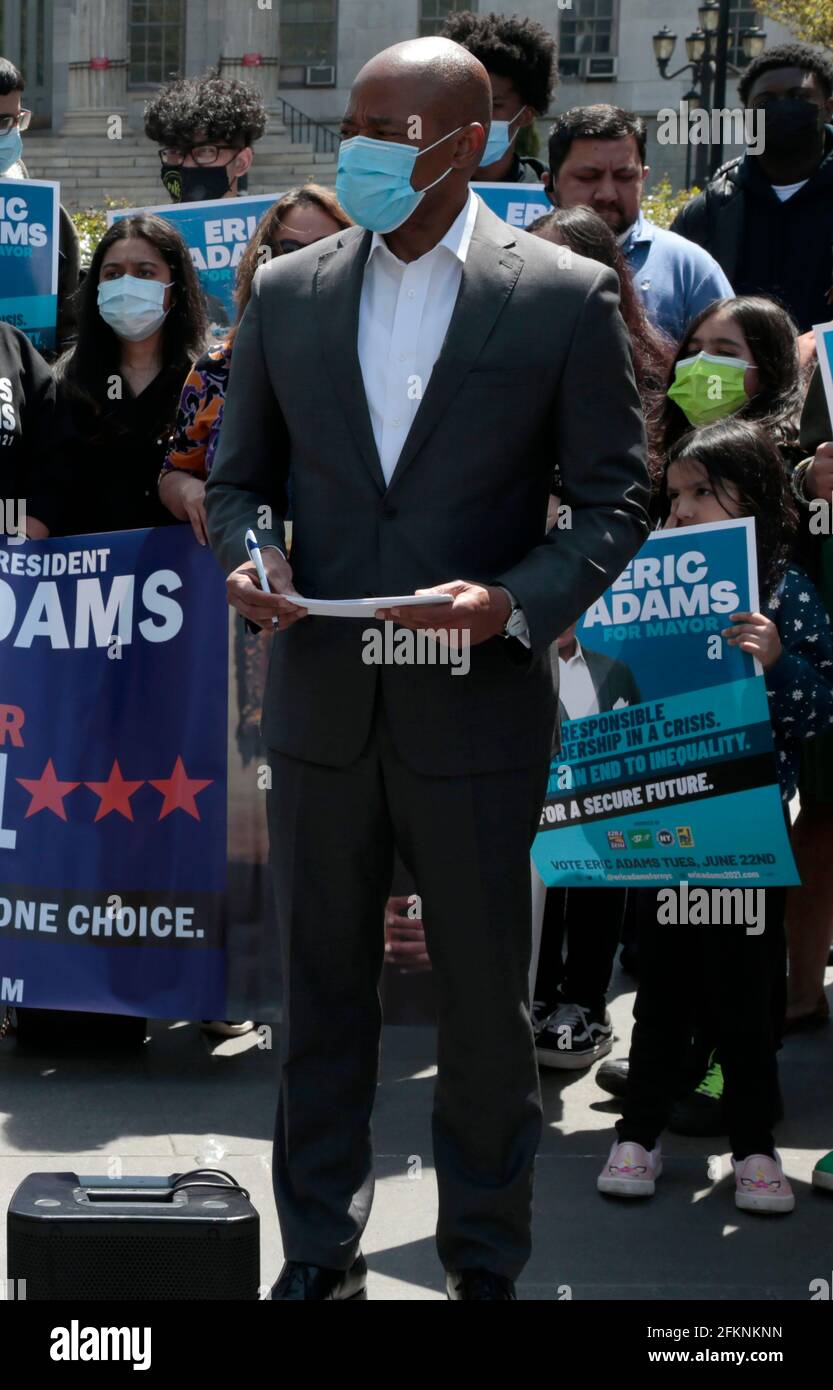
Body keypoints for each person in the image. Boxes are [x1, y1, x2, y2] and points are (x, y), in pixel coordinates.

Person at [205, 35, 650, 1300]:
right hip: (323, 706)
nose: (356, 151)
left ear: (467, 145)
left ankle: (484, 1261)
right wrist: (250, 554)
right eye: (350, 126)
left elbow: (614, 498)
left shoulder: (560, 294)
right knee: (319, 1001)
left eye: (385, 133)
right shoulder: (290, 289)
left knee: (481, 1012)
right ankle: (319, 1252)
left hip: (476, 710)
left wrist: (513, 601)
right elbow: (238, 482)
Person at [599, 418, 833, 1214]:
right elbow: (613, 687)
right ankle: (637, 1135)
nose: (683, 510)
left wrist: (777, 661)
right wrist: (579, 651)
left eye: (702, 491)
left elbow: (820, 709)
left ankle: (753, 1148)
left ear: (756, 496)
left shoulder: (783, 592)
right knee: (660, 987)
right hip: (664, 825)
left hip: (747, 832)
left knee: (746, 994)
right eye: (673, 495)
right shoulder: (644, 582)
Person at [159, 186, 352, 543]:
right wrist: (188, 491)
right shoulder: (217, 369)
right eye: (289, 250)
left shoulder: (376, 361)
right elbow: (174, 472)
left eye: (327, 248)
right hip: (246, 567)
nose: (306, 262)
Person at [30, 213, 206, 538]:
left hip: (185, 566)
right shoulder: (64, 385)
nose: (126, 286)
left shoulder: (206, 381)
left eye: (145, 272)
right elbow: (43, 493)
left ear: (175, 287)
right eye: (113, 274)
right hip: (85, 567)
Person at [531, 623, 642, 1070]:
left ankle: (587, 1002)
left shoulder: (614, 669)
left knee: (599, 895)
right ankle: (537, 996)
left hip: (600, 814)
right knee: (539, 901)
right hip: (533, 811)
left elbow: (637, 729)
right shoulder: (511, 666)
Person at [672, 42, 833, 336]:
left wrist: (818, 349)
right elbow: (672, 317)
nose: (783, 107)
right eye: (765, 101)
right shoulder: (708, 212)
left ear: (829, 109)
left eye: (798, 97)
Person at [546, 104, 733, 341]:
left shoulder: (690, 270)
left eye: (624, 177)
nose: (607, 194)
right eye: (588, 177)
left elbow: (729, 359)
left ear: (643, 178)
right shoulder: (520, 261)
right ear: (550, 183)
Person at [529, 205, 675, 475]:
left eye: (561, 274)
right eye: (533, 272)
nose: (544, 289)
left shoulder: (650, 386)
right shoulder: (496, 370)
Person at [786, 365, 833, 1040]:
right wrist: (807, 479)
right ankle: (798, 993)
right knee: (822, 815)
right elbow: (778, 455)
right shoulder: (819, 359)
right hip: (826, 599)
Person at [660, 294, 805, 463]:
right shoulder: (660, 450)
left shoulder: (792, 460)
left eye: (725, 353)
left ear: (769, 369)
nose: (700, 366)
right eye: (693, 351)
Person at [0, 56, 81, 357]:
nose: (11, 133)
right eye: (1, 123)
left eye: (15, 120)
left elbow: (68, 326)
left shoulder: (45, 215)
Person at [439, 9, 556, 183]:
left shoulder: (548, 189)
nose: (474, 117)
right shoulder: (424, 187)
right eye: (462, 103)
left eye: (492, 106)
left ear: (526, 115)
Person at [144, 72, 267, 204]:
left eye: (205, 151)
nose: (186, 165)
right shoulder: (145, 219)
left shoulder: (263, 218)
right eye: (175, 152)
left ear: (242, 163)